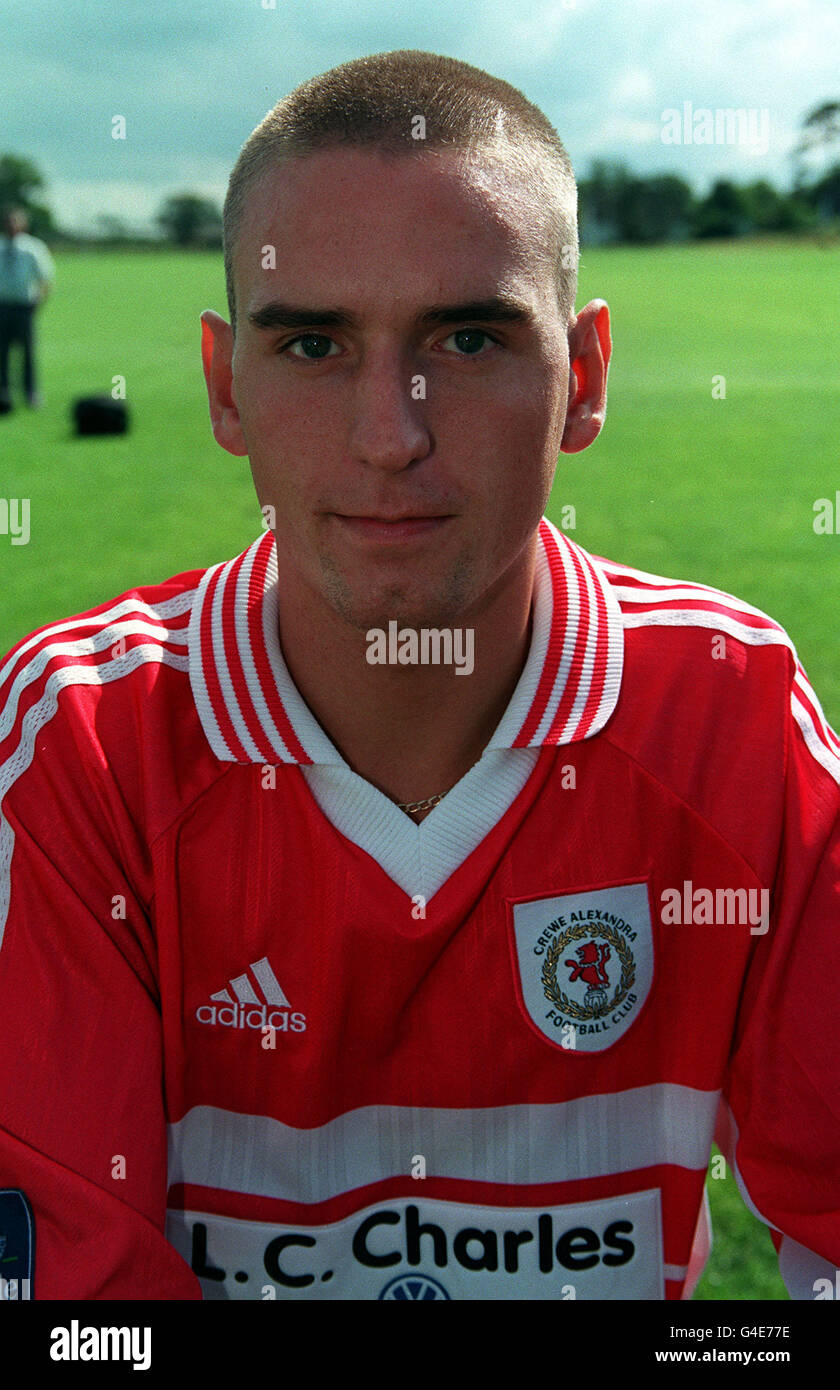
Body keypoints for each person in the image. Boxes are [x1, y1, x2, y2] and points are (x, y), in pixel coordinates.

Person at [0, 50, 837, 1303]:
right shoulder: (84, 742)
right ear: (228, 386)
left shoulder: (730, 710)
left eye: (467, 335)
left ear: (584, 378)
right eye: (316, 345)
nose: (392, 435)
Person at [0, 206, 54, 412]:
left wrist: (36, 304)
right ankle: (3, 392)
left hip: (24, 308)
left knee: (27, 352)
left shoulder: (33, 248)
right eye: (8, 221)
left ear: (23, 224)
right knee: (1, 352)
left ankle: (31, 392)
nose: (11, 226)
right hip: (2, 306)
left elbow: (46, 279)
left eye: (15, 221)